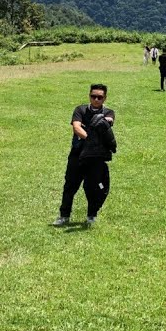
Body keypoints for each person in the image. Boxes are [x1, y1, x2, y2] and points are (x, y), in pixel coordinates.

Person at [52, 84, 117, 228]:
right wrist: (90, 139)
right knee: (70, 186)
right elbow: (76, 127)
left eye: (99, 97)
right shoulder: (80, 110)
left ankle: (91, 215)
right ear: (89, 96)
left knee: (93, 187)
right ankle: (64, 216)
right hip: (78, 154)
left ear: (104, 98)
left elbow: (108, 122)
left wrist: (103, 123)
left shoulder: (109, 112)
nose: (96, 100)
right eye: (93, 96)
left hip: (96, 157)